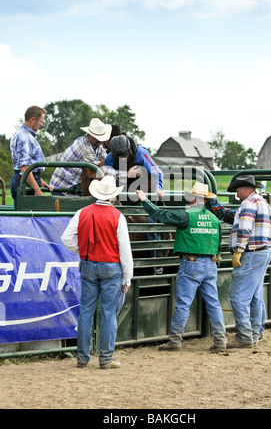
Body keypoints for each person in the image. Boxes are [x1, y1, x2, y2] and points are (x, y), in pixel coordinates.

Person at [136, 182, 227, 353]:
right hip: (211, 264)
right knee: (213, 303)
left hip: (191, 264)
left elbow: (160, 215)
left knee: (183, 303)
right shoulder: (215, 219)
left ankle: (175, 340)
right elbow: (218, 244)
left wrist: (145, 200)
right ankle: (220, 340)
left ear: (193, 198)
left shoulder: (186, 216)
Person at [61, 175, 133, 369]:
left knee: (86, 311)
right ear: (112, 196)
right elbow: (125, 251)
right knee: (108, 312)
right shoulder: (119, 217)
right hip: (111, 267)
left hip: (88, 264)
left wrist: (82, 250)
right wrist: (128, 276)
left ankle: (82, 358)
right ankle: (106, 358)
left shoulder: (81, 212)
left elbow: (66, 238)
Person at [206, 175, 271, 347]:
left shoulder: (248, 203)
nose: (237, 195)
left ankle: (244, 336)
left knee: (238, 295)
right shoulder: (263, 203)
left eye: (237, 191)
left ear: (244, 189)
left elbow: (244, 228)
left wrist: (238, 250)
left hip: (251, 253)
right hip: (264, 251)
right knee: (255, 295)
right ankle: (256, 333)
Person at [50, 118, 111, 194]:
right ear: (89, 135)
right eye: (97, 138)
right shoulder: (83, 148)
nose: (100, 141)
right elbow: (97, 168)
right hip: (62, 188)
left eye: (101, 138)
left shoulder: (97, 145)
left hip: (74, 187)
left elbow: (106, 161)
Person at [10, 105, 53, 209]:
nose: (42, 124)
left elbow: (29, 164)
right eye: (41, 121)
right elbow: (24, 167)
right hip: (25, 182)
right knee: (27, 219)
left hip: (24, 179)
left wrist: (41, 182)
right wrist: (37, 190)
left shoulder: (19, 133)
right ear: (33, 120)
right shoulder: (25, 137)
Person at [103, 134, 164, 203]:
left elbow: (156, 172)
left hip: (143, 188)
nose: (122, 159)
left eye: (124, 155)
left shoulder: (141, 152)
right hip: (123, 189)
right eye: (118, 157)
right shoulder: (110, 157)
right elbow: (106, 174)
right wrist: (127, 174)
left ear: (129, 150)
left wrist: (158, 188)